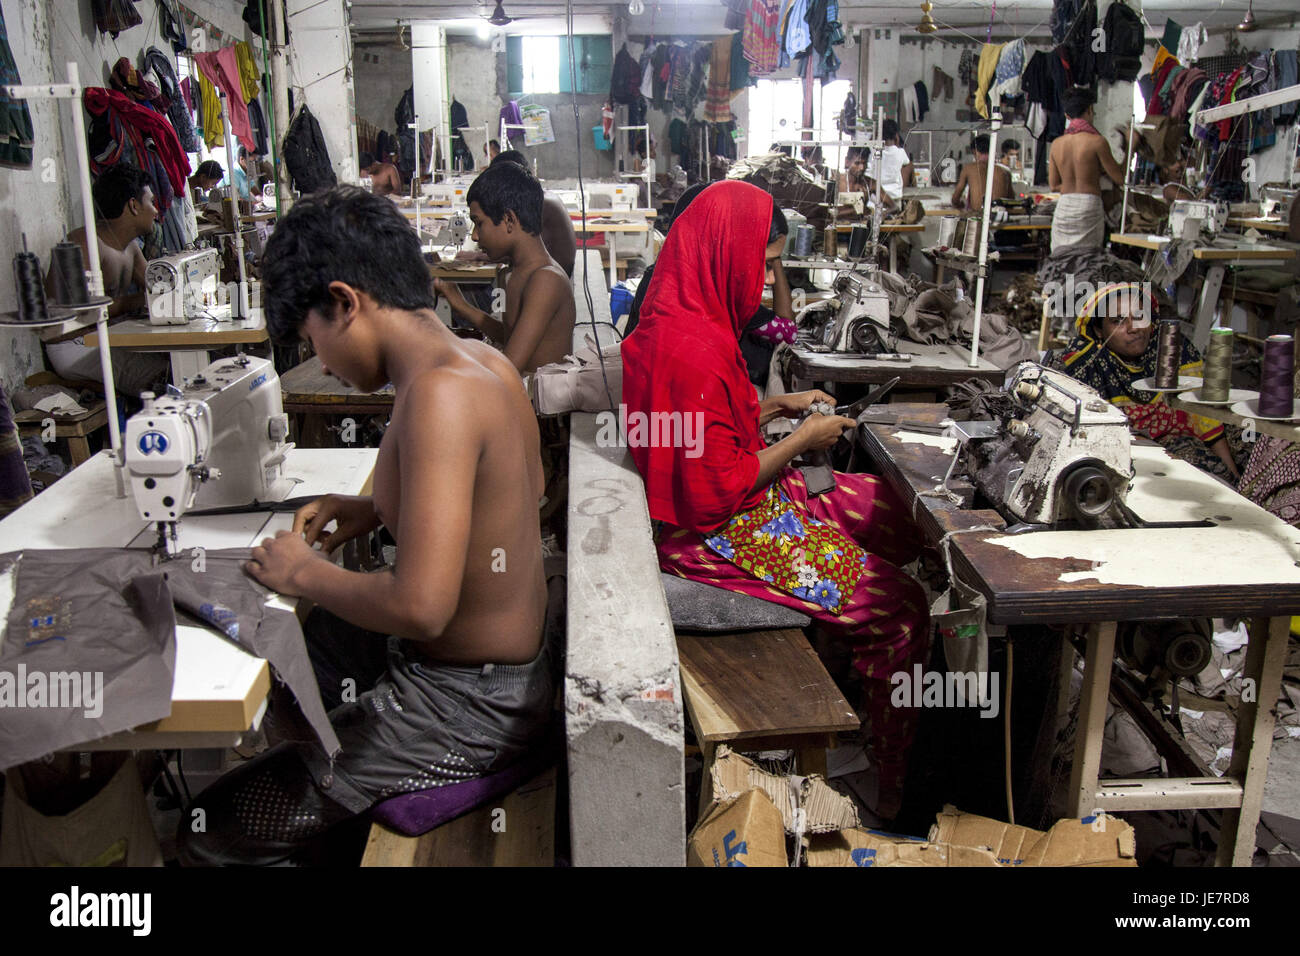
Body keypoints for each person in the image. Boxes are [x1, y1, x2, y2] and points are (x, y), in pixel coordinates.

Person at [176, 186, 555, 866]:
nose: (319, 360)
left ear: (346, 302)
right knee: (306, 655)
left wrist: (307, 572)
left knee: (210, 828)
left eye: (312, 337)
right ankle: (333, 793)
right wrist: (371, 510)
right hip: (502, 673)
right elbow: (515, 496)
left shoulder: (437, 397)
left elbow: (423, 606)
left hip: (469, 708)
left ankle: (331, 806)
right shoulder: (477, 363)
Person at [621, 180, 928, 818]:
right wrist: (805, 438)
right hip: (712, 535)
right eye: (762, 264)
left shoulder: (680, 319)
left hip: (733, 503)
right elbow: (715, 491)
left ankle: (853, 672)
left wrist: (774, 406)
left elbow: (701, 433)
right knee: (902, 608)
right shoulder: (694, 350)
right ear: (724, 250)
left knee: (902, 519)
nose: (764, 282)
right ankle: (885, 783)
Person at [1046, 282, 1241, 479]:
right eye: (1118, 321)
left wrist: (1235, 482)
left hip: (1182, 439)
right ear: (1098, 331)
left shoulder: (1173, 350)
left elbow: (1206, 421)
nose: (1134, 328)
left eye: (1140, 316)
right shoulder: (1085, 365)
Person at [626, 183, 795, 386]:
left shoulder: (660, 280)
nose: (770, 279)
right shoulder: (708, 298)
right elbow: (788, 331)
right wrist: (771, 254)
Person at [434, 161, 575, 375]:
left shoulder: (546, 280)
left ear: (509, 219)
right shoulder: (517, 272)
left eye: (479, 223)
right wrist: (461, 305)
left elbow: (506, 371)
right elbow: (510, 336)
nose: (474, 235)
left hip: (537, 405)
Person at [43, 165, 168, 395]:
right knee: (166, 374)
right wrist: (137, 301)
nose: (156, 211)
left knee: (174, 355)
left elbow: (160, 287)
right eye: (151, 202)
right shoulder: (84, 244)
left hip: (101, 336)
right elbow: (83, 316)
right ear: (133, 205)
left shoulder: (130, 247)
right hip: (74, 347)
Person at [1048, 88, 1126, 251]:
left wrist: (1074, 186)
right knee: (1085, 260)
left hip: (1065, 206)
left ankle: (1067, 279)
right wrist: (1131, 149)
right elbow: (1120, 179)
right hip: (1088, 206)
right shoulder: (1097, 142)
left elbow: (1054, 186)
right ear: (1090, 110)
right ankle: (1078, 278)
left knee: (1062, 259)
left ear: (1067, 116)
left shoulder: (1057, 144)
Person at [492, 149, 576, 277]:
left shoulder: (539, 204)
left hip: (548, 281)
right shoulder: (543, 197)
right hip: (551, 274)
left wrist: (476, 255)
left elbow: (512, 252)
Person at [951, 133, 1012, 213]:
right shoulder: (1006, 171)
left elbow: (955, 198)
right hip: (999, 218)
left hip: (977, 217)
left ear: (975, 151)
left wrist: (960, 205)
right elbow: (1011, 199)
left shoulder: (968, 169)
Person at [863, 119, 914, 211]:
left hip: (877, 197)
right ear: (896, 135)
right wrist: (897, 143)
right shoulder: (901, 152)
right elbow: (906, 162)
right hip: (895, 196)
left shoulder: (873, 150)